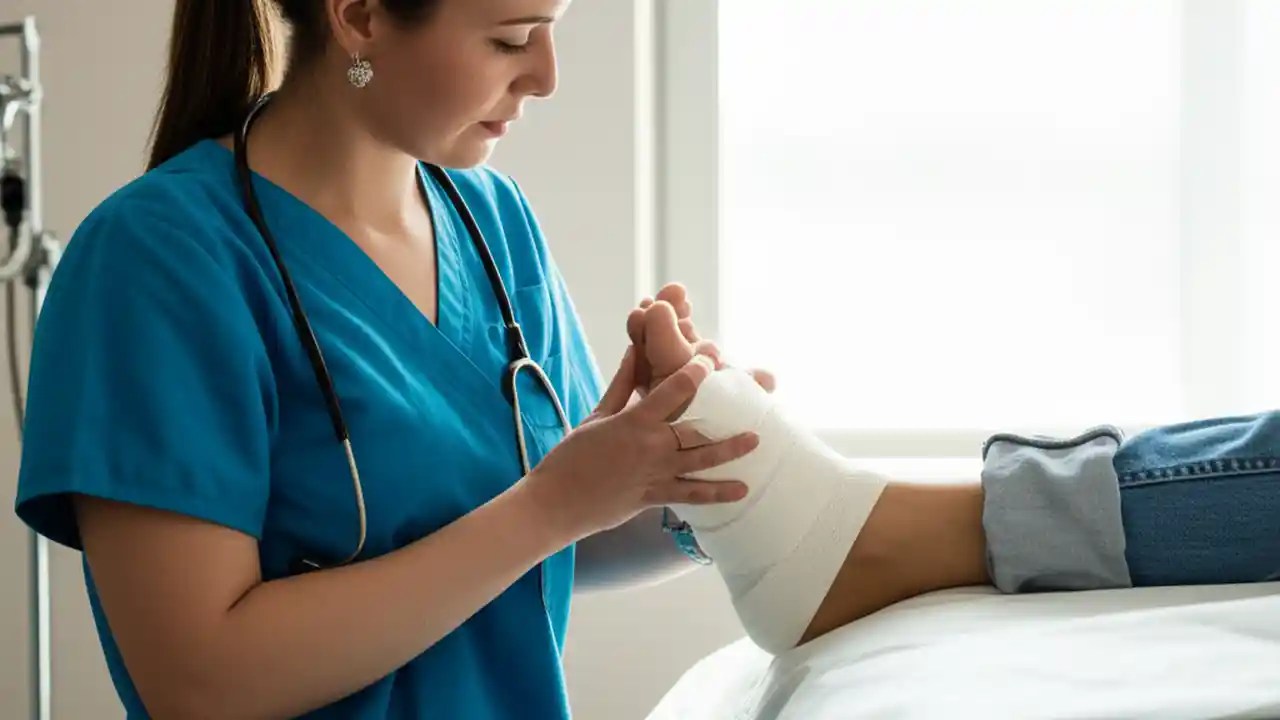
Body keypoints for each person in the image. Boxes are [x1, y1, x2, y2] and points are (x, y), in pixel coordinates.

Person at [12, 1, 763, 718]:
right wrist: (553, 505)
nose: (546, 75)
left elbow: (550, 543)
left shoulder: (494, 223)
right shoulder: (159, 261)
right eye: (510, 38)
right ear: (360, 17)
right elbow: (199, 682)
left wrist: (680, 468)